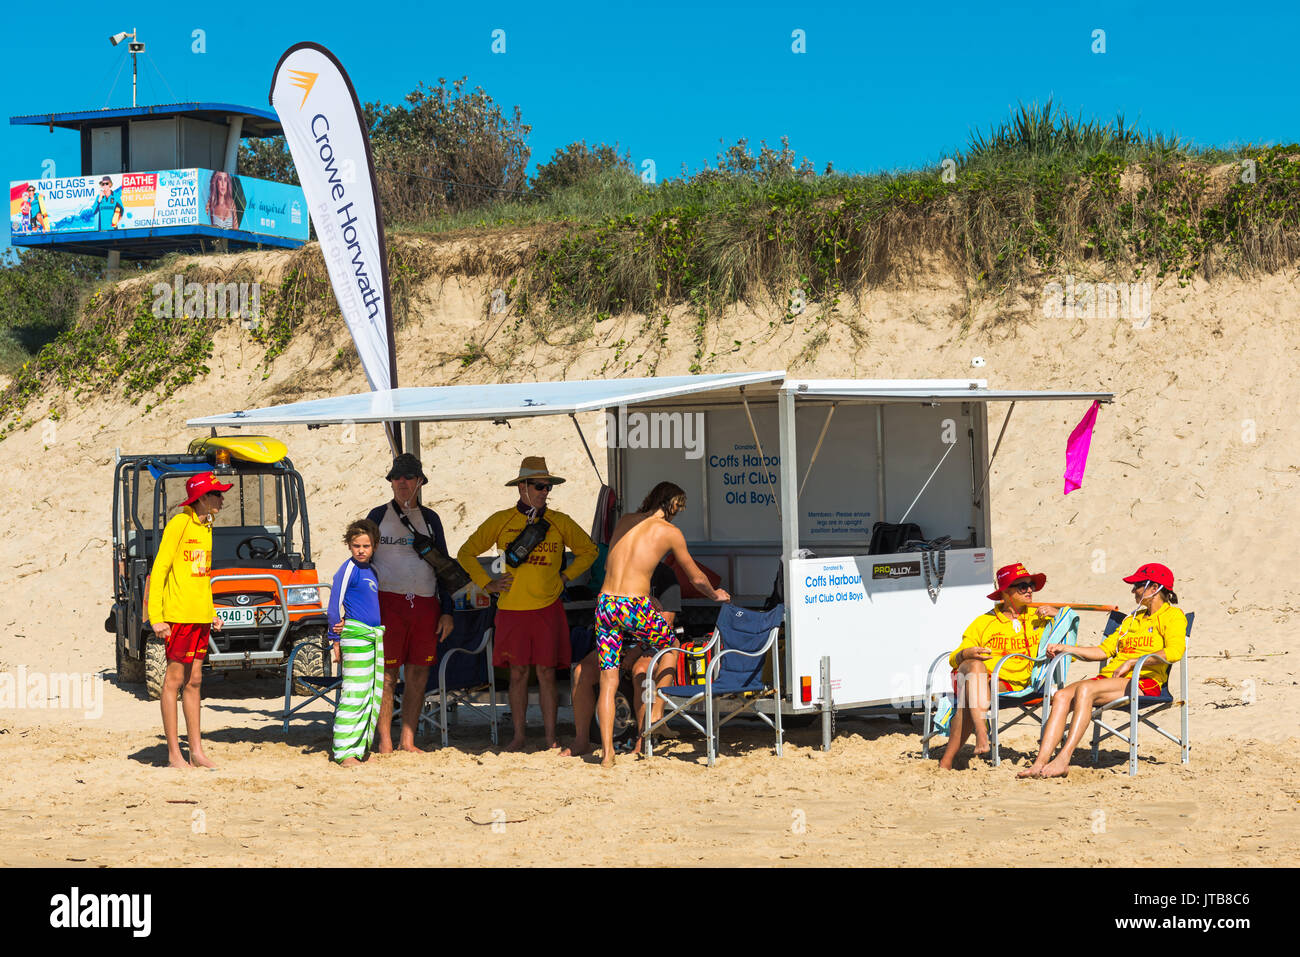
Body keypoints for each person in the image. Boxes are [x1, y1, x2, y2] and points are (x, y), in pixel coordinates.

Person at [458, 456, 598, 751]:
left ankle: (549, 738)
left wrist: (565, 576)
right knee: (519, 673)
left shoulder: (560, 521)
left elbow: (589, 551)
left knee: (547, 673)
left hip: (548, 609)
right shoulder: (502, 520)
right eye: (539, 485)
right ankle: (519, 736)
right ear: (522, 486)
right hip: (511, 610)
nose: (544, 491)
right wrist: (488, 584)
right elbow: (466, 553)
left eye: (548, 486)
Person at [588, 481, 729, 768]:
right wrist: (716, 595)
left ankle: (607, 755)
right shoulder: (670, 533)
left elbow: (608, 565)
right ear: (673, 505)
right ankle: (656, 714)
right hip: (634, 605)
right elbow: (696, 577)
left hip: (606, 603)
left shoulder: (626, 521)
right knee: (671, 645)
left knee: (608, 678)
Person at [1018, 563, 1187, 779]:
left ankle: (1062, 759)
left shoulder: (1172, 616)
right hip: (1110, 680)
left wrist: (1133, 663)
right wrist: (1066, 649)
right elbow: (1104, 650)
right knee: (1061, 695)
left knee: (1086, 689)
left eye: (1136, 585)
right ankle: (1040, 762)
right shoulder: (1131, 620)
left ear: (1153, 587)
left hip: (1143, 683)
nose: (1132, 590)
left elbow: (1174, 652)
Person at [365, 454, 455, 754]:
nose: (402, 482)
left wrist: (447, 611)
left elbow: (443, 566)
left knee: (418, 673)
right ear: (391, 482)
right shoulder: (377, 516)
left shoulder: (431, 519)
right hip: (387, 603)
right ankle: (385, 741)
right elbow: (360, 560)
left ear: (419, 482)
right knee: (387, 675)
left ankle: (407, 739)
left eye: (408, 478)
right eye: (396, 477)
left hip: (426, 604)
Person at [146, 471, 231, 769]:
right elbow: (160, 570)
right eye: (217, 493)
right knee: (174, 681)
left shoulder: (207, 527)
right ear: (202, 498)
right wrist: (155, 617)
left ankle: (196, 751)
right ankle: (173, 754)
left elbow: (201, 578)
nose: (223, 498)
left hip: (200, 618)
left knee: (195, 681)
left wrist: (211, 613)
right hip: (178, 616)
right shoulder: (179, 524)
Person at [939, 562, 1058, 770]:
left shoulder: (1039, 618)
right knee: (975, 667)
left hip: (1012, 683)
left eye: (1031, 585)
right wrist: (967, 653)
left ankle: (950, 759)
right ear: (1005, 593)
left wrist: (1057, 615)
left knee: (970, 695)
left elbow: (1067, 643)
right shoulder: (984, 622)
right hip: (976, 675)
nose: (1030, 590)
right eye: (1022, 586)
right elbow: (954, 659)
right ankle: (982, 733)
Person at [563, 557, 682, 759]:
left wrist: (636, 651)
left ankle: (642, 740)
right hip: (617, 641)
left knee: (641, 673)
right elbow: (605, 614)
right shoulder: (618, 575)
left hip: (649, 643)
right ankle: (582, 740)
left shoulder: (664, 575)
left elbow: (667, 623)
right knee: (581, 672)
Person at [327, 519, 385, 767]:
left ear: (374, 546)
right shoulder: (347, 569)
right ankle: (344, 751)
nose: (361, 550)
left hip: (373, 637)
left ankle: (360, 748)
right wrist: (335, 640)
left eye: (366, 545)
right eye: (356, 545)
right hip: (355, 636)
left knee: (369, 694)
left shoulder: (373, 571)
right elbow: (333, 605)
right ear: (349, 545)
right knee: (353, 693)